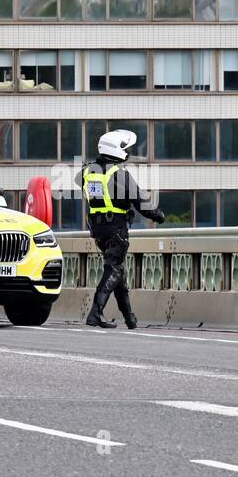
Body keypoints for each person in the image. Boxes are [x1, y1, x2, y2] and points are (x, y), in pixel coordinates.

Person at [81, 129, 165, 329]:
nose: (127, 152)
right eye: (125, 148)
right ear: (117, 149)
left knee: (118, 271)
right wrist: (159, 216)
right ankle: (95, 313)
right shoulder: (119, 175)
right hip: (116, 229)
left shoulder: (87, 172)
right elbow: (143, 204)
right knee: (113, 270)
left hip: (97, 229)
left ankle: (129, 319)